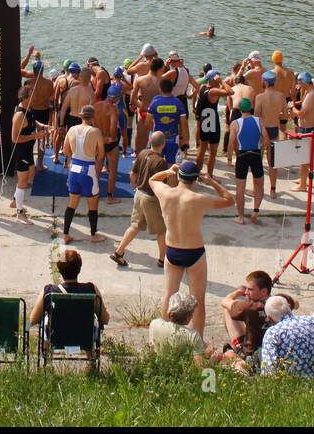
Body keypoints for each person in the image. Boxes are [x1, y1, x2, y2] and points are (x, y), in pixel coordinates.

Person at [150, 160, 233, 335]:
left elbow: (152, 180)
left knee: (169, 295)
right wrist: (212, 182)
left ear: (179, 177)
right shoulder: (200, 199)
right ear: (196, 180)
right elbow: (229, 200)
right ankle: (199, 338)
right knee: (198, 300)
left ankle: (164, 336)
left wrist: (168, 171)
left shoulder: (165, 193)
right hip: (194, 251)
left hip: (172, 249)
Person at [110, 130, 169, 267]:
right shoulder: (161, 162)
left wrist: (133, 184)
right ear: (163, 144)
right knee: (161, 230)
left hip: (139, 194)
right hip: (151, 198)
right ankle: (162, 259)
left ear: (150, 142)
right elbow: (161, 186)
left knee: (135, 226)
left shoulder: (142, 153)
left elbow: (133, 173)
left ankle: (118, 252)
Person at [260, 293, 314, 379]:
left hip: (293, 387)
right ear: (289, 307)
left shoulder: (272, 334)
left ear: (270, 318)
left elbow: (268, 372)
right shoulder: (311, 321)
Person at [28, 249, 110, 328]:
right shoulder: (91, 289)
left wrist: (25, 327)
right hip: (83, 339)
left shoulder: (49, 291)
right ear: (79, 269)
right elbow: (105, 319)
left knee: (46, 321)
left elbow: (32, 320)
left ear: (59, 269)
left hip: (57, 339)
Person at [61, 104, 106, 243]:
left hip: (74, 168)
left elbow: (65, 151)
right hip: (88, 169)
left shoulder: (72, 130)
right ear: (93, 117)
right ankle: (93, 234)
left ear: (80, 116)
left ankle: (65, 234)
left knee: (72, 203)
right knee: (93, 204)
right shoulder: (95, 132)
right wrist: (95, 162)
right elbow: (101, 154)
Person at [226, 97, 268, 223]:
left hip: (242, 155)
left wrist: (229, 158)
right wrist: (261, 149)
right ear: (251, 108)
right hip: (255, 154)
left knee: (240, 188)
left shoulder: (235, 123)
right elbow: (266, 139)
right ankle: (255, 211)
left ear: (239, 110)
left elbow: (231, 143)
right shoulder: (258, 120)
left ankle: (241, 217)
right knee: (259, 184)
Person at [218, 270, 272, 363]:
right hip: (270, 348)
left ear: (264, 291)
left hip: (251, 354)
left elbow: (224, 302)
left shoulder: (249, 307)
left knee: (228, 310)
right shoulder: (280, 302)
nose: (246, 292)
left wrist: (238, 292)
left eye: (250, 289)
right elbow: (295, 304)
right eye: (246, 289)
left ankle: (236, 347)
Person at [9, 86, 44, 221]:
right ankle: (20, 212)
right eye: (32, 96)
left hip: (28, 150)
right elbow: (14, 138)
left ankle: (14, 200)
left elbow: (32, 121)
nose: (34, 98)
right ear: (24, 98)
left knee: (31, 173)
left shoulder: (29, 108)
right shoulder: (19, 115)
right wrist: (35, 137)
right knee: (23, 182)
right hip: (20, 151)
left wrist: (42, 126)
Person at [149, 291, 206, 361]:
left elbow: (151, 351)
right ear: (188, 316)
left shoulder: (154, 324)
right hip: (181, 370)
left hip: (158, 368)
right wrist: (213, 360)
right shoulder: (193, 335)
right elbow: (200, 368)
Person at [193, 69, 227, 178]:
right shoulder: (213, 91)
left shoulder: (202, 88)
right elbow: (230, 92)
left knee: (202, 149)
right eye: (216, 79)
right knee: (212, 152)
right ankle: (209, 176)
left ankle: (197, 174)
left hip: (204, 119)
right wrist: (222, 82)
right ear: (212, 80)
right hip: (212, 121)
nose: (218, 81)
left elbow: (216, 92)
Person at [147, 75, 188, 164]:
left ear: (160, 89)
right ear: (172, 89)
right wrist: (184, 139)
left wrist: (153, 132)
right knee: (171, 166)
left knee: (156, 164)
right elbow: (184, 124)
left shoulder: (155, 103)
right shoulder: (178, 103)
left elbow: (147, 122)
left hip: (158, 139)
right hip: (173, 139)